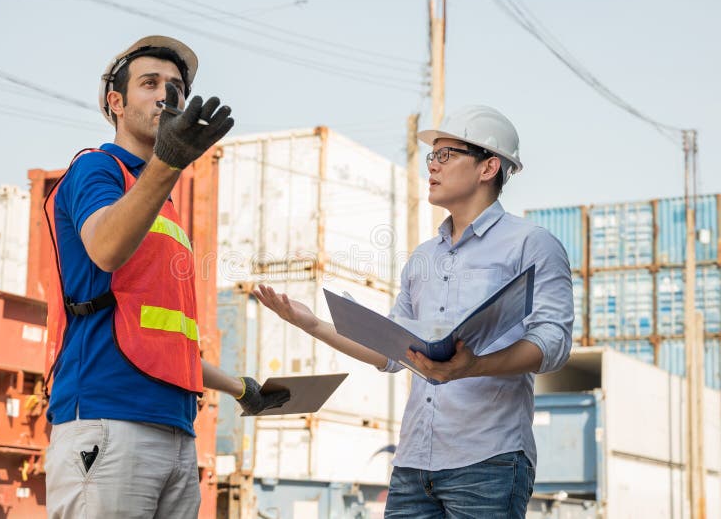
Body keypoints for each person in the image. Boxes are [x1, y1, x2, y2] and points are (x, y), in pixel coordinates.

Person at [255, 105, 573, 518]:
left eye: (446, 155)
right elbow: (390, 354)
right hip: (412, 465)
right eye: (431, 157)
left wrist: (472, 366)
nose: (433, 167)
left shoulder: (533, 244)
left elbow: (553, 343)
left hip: (489, 461)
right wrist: (311, 323)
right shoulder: (423, 258)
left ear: (488, 166)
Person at [43, 35, 289, 519]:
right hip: (108, 419)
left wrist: (241, 387)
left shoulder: (164, 204)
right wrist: (169, 163)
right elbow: (107, 248)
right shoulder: (97, 169)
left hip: (174, 429)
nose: (164, 96)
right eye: (149, 84)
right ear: (115, 102)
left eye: (175, 87)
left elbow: (158, 341)